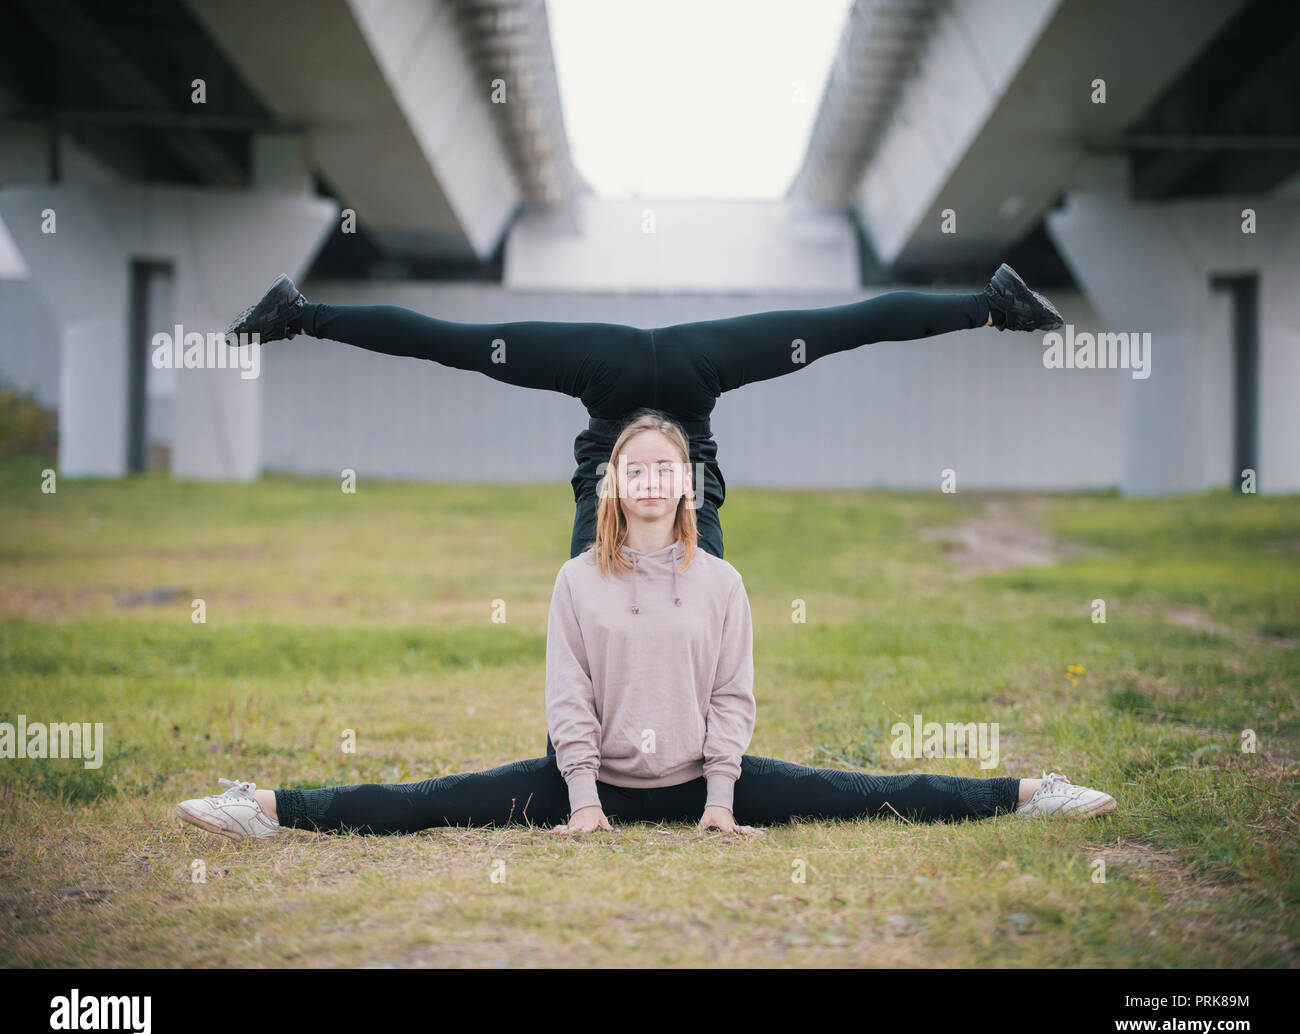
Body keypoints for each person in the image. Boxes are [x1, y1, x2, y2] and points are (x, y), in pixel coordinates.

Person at [225, 263, 1065, 758]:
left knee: (459, 346)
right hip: (686, 395)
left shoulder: (612, 398)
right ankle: (994, 299)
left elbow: (440, 340)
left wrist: (309, 321)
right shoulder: (689, 410)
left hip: (616, 382)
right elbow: (854, 323)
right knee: (832, 335)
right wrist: (984, 310)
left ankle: (298, 313)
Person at [174, 411, 1116, 842]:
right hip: (598, 785)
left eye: (668, 466)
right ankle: (263, 806)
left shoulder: (723, 581)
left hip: (705, 783)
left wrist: (720, 799)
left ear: (687, 485)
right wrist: (581, 800)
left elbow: (733, 696)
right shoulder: (576, 579)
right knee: (432, 799)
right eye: (636, 468)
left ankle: (1033, 792)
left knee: (861, 791)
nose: (654, 479)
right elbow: (566, 695)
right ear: (614, 486)